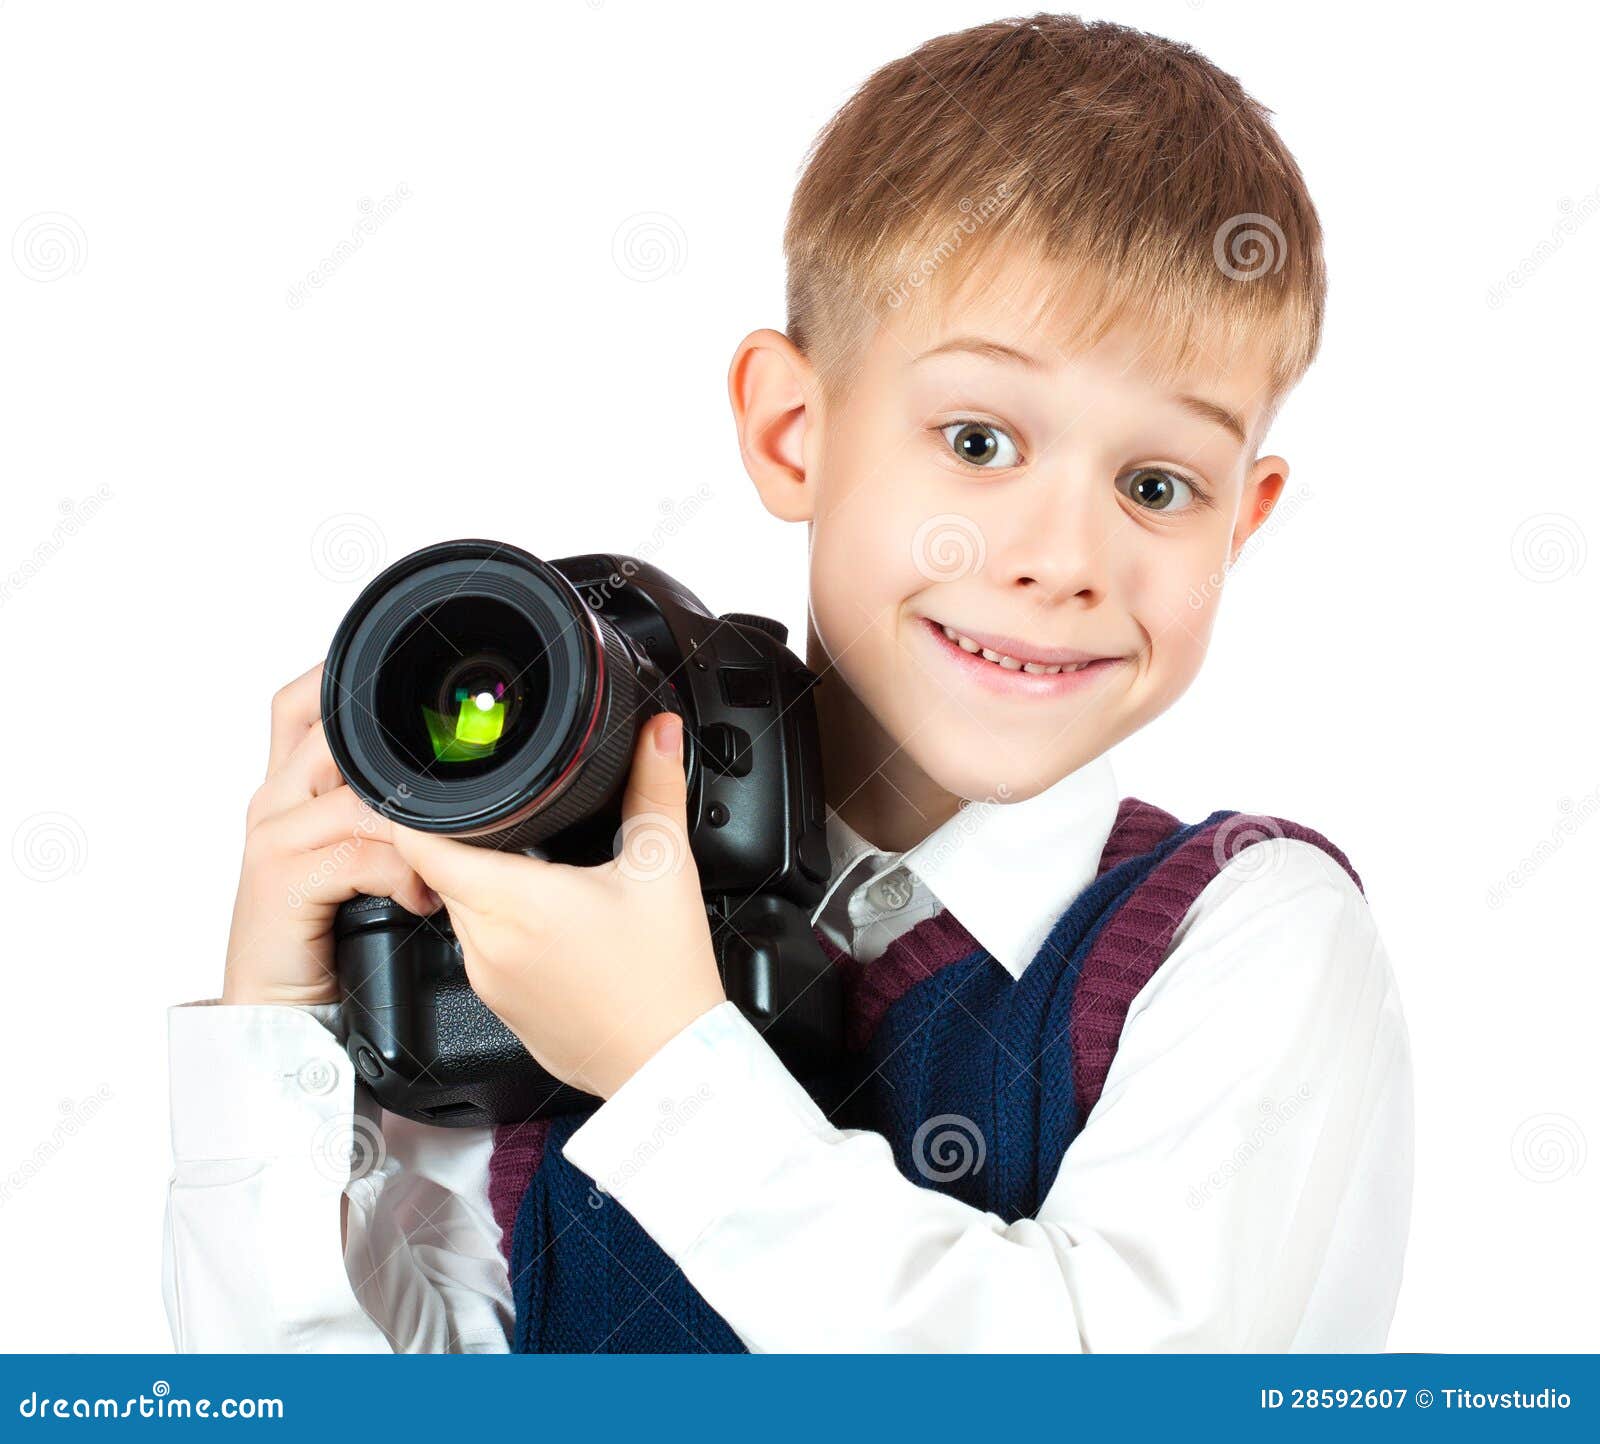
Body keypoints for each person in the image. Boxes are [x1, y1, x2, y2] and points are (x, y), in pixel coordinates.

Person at [162, 11, 1413, 1353]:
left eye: (1157, 485)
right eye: (980, 439)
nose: (1065, 560)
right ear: (791, 429)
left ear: (1243, 518)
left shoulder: (1250, 939)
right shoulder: (580, 925)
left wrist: (665, 1070)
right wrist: (272, 1037)